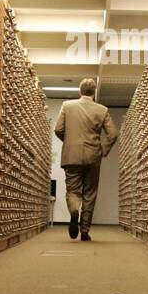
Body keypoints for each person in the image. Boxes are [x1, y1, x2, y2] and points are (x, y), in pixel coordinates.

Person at [54, 78, 118, 241]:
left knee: (73, 190)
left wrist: (70, 143)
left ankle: (74, 209)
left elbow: (58, 129)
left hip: (71, 155)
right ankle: (84, 231)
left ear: (80, 91)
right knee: (90, 193)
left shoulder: (67, 106)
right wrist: (102, 149)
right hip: (93, 156)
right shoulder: (102, 110)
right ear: (94, 93)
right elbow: (113, 134)